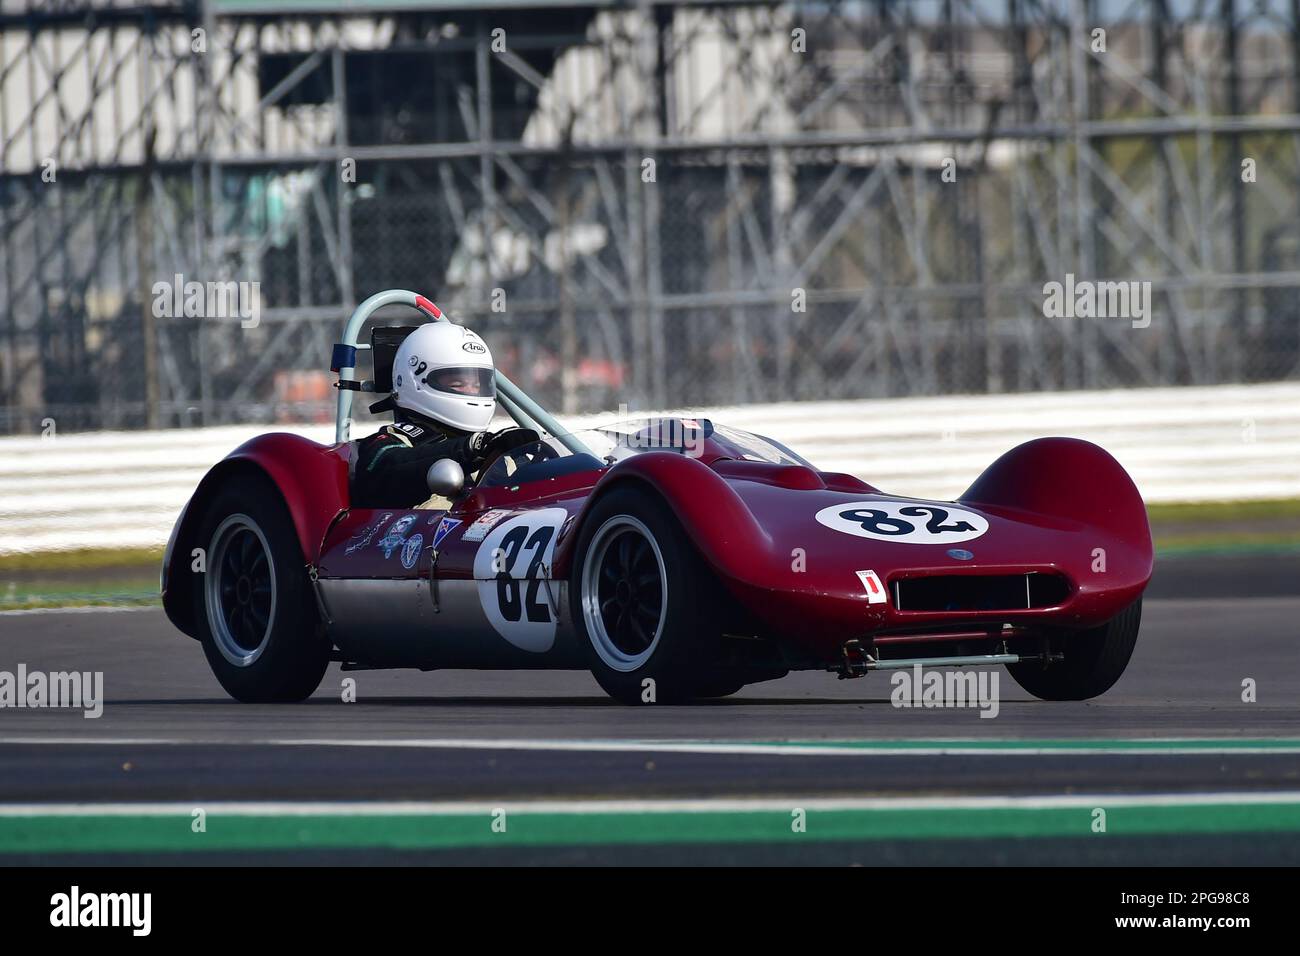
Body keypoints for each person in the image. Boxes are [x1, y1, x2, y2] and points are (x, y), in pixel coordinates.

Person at [352, 322, 537, 508]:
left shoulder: (494, 449)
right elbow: (385, 470)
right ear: (415, 381)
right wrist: (472, 447)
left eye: (478, 384)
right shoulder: (386, 445)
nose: (472, 392)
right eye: (458, 384)